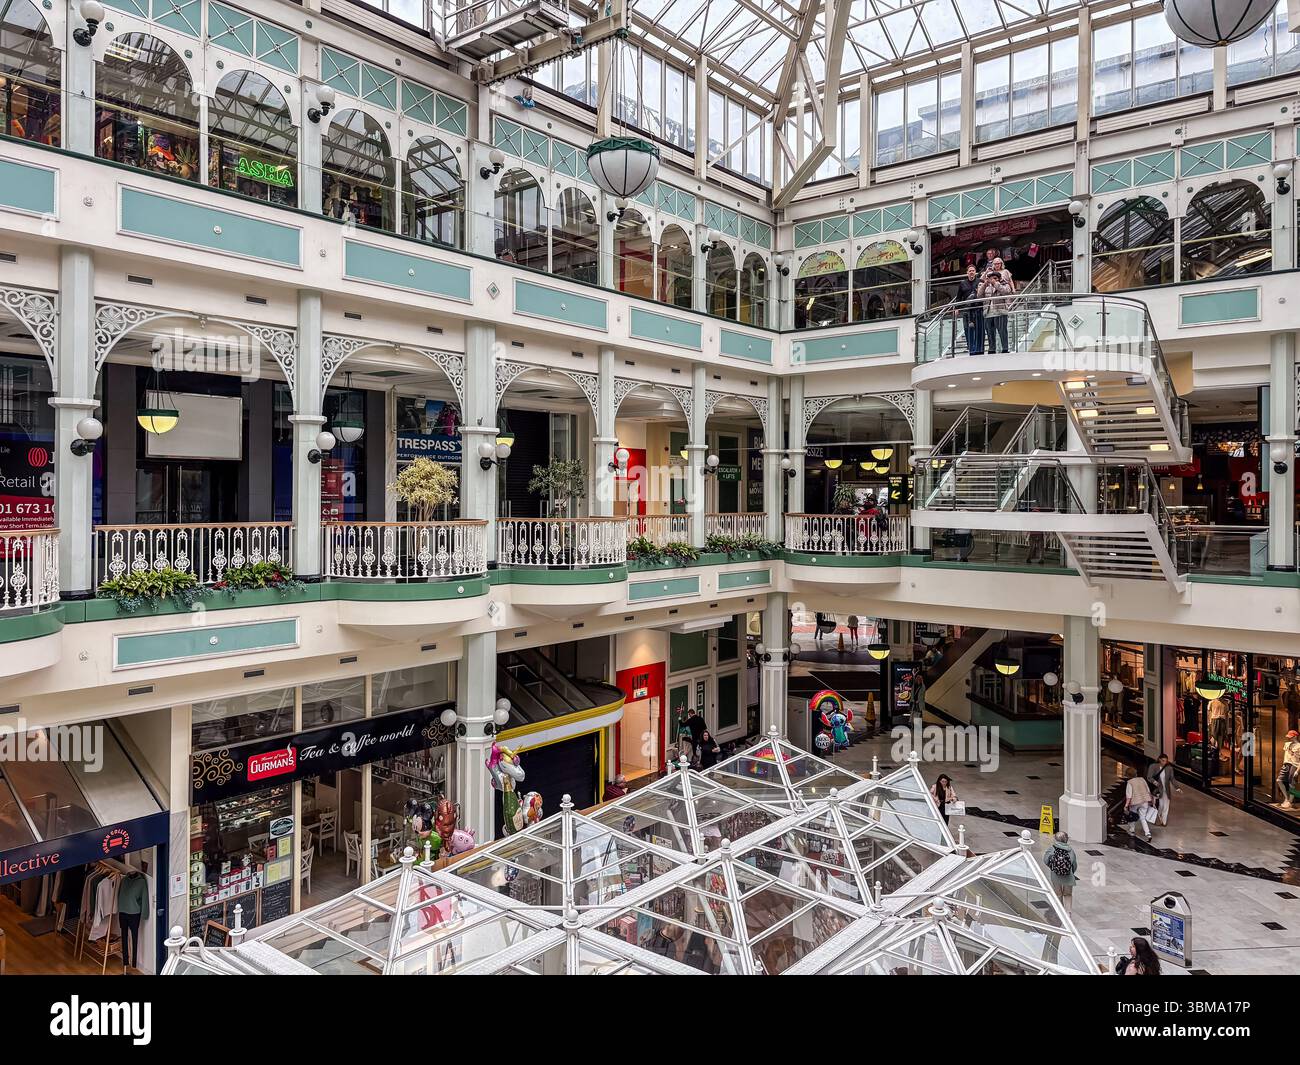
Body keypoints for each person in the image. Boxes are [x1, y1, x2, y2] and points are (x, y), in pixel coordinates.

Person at [979, 260, 1014, 353]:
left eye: (994, 278)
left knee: (1002, 331)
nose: (992, 279)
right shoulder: (986, 286)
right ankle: (991, 349)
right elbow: (979, 295)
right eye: (991, 278)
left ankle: (1005, 349)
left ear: (998, 278)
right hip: (988, 312)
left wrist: (996, 284)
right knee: (990, 333)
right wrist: (985, 284)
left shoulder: (1004, 284)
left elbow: (1006, 292)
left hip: (1000, 311)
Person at [1042, 831, 1078, 913]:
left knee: (1058, 894)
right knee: (1068, 894)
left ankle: (1060, 912)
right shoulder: (1070, 850)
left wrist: (1053, 867)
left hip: (1055, 876)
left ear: (1055, 839)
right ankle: (1068, 913)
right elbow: (1074, 864)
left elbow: (1045, 860)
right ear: (1066, 840)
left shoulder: (1052, 849)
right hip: (1068, 877)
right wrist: (1071, 871)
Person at [955, 264, 985, 355]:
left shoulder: (980, 281)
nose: (971, 272)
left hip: (978, 309)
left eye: (973, 270)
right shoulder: (962, 283)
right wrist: (957, 308)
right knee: (968, 330)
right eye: (970, 271)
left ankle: (980, 349)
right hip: (967, 311)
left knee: (980, 330)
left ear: (975, 272)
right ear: (967, 273)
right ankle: (971, 349)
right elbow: (958, 297)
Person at [1145, 753, 1179, 826]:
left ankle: (1164, 822)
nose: (1164, 762)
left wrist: (1177, 787)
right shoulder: (1153, 766)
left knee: (1166, 805)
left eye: (1166, 761)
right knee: (1160, 805)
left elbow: (1172, 779)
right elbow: (1149, 777)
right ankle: (1157, 818)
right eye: (1163, 761)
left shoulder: (1169, 768)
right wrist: (1155, 783)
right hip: (1157, 790)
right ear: (1159, 760)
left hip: (1166, 790)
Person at [1123, 771, 1157, 840]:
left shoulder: (1130, 782)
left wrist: (1126, 805)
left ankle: (1132, 830)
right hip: (1145, 801)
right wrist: (1152, 801)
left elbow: (1129, 796)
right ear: (1136, 774)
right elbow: (1148, 791)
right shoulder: (1142, 779)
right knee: (1143, 818)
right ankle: (1148, 834)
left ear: (1128, 775)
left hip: (1135, 802)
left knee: (1132, 816)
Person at [1278, 730, 1300, 809]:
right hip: (1286, 764)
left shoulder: (1299, 746)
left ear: (1295, 736)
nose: (1290, 739)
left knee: (1291, 784)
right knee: (1279, 780)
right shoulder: (1287, 744)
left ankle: (1289, 801)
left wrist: (1297, 771)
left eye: (1291, 737)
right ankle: (1286, 798)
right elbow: (1286, 755)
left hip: (1294, 765)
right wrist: (1284, 764)